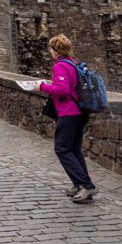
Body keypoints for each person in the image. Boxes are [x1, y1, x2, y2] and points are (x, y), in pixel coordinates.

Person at [38, 34, 97, 203]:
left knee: (62, 149)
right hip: (80, 111)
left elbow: (62, 90)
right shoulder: (73, 63)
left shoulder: (61, 66)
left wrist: (41, 86)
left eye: (51, 48)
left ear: (56, 50)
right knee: (74, 149)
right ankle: (79, 184)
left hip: (69, 113)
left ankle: (86, 186)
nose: (50, 51)